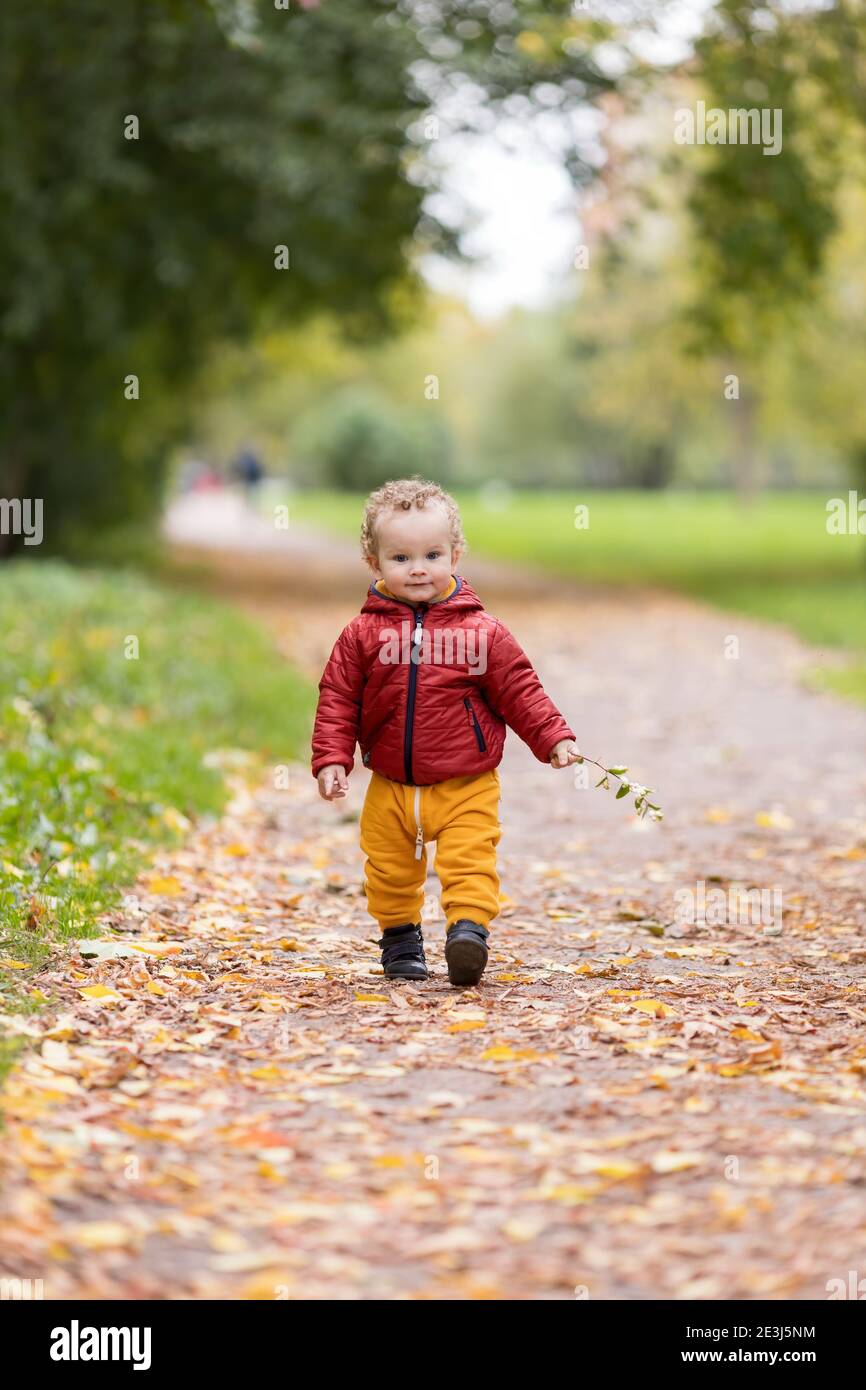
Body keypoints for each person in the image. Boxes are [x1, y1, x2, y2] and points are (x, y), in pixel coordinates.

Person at [311, 477, 581, 987]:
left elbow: (520, 690)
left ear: (456, 555)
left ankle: (467, 934)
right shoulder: (361, 635)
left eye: (433, 554)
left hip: (466, 784)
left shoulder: (482, 632)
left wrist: (553, 737)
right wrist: (331, 758)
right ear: (375, 563)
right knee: (389, 870)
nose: (418, 569)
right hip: (391, 785)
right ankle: (400, 940)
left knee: (471, 859)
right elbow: (338, 698)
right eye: (401, 558)